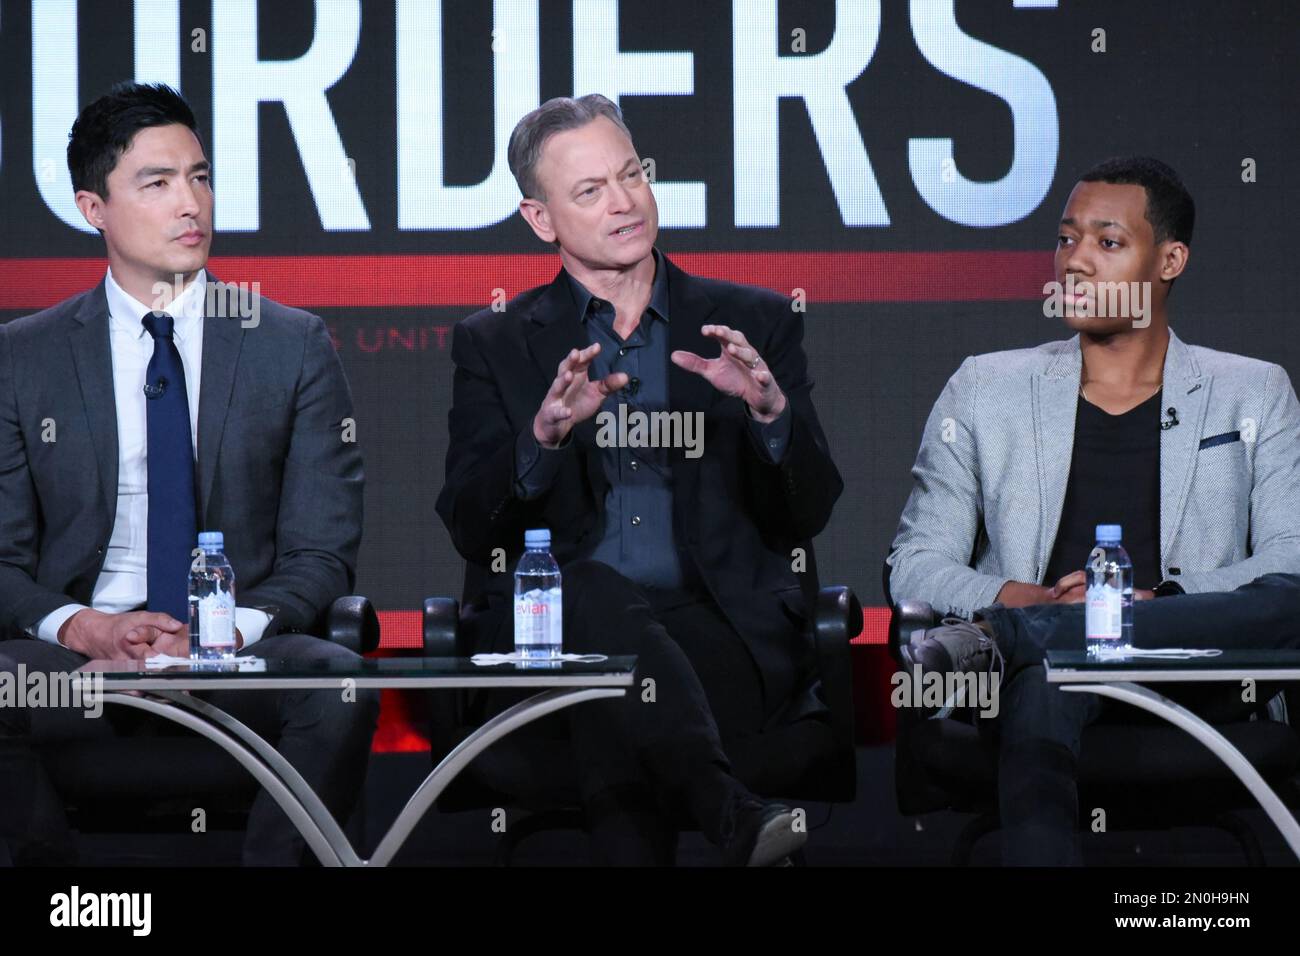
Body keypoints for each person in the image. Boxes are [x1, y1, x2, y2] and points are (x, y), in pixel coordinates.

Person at [435, 94, 843, 865]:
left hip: (718, 636)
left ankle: (726, 809)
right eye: (590, 191)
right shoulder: (494, 343)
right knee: (588, 595)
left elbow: (809, 512)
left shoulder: (750, 323)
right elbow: (469, 524)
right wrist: (542, 438)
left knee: (612, 699)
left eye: (632, 175)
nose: (624, 202)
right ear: (540, 219)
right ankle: (730, 811)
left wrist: (770, 415)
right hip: (547, 645)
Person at [0, 82, 377, 865]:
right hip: (78, 655)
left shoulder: (290, 343)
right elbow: (3, 562)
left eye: (200, 177)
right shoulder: (23, 356)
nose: (190, 203)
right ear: (91, 206)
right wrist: (86, 627)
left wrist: (221, 631)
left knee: (338, 683)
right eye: (158, 182)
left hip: (237, 648)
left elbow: (321, 554)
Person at [888, 156, 1300, 864]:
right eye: (1065, 239)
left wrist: (1152, 603)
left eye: (1107, 243)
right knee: (1058, 665)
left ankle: (1032, 633)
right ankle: (1045, 632)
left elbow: (1289, 561)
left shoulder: (1253, 392)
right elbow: (915, 563)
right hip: (1042, 684)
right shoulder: (985, 387)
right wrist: (1031, 598)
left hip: (1190, 670)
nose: (1074, 262)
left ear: (1169, 260)